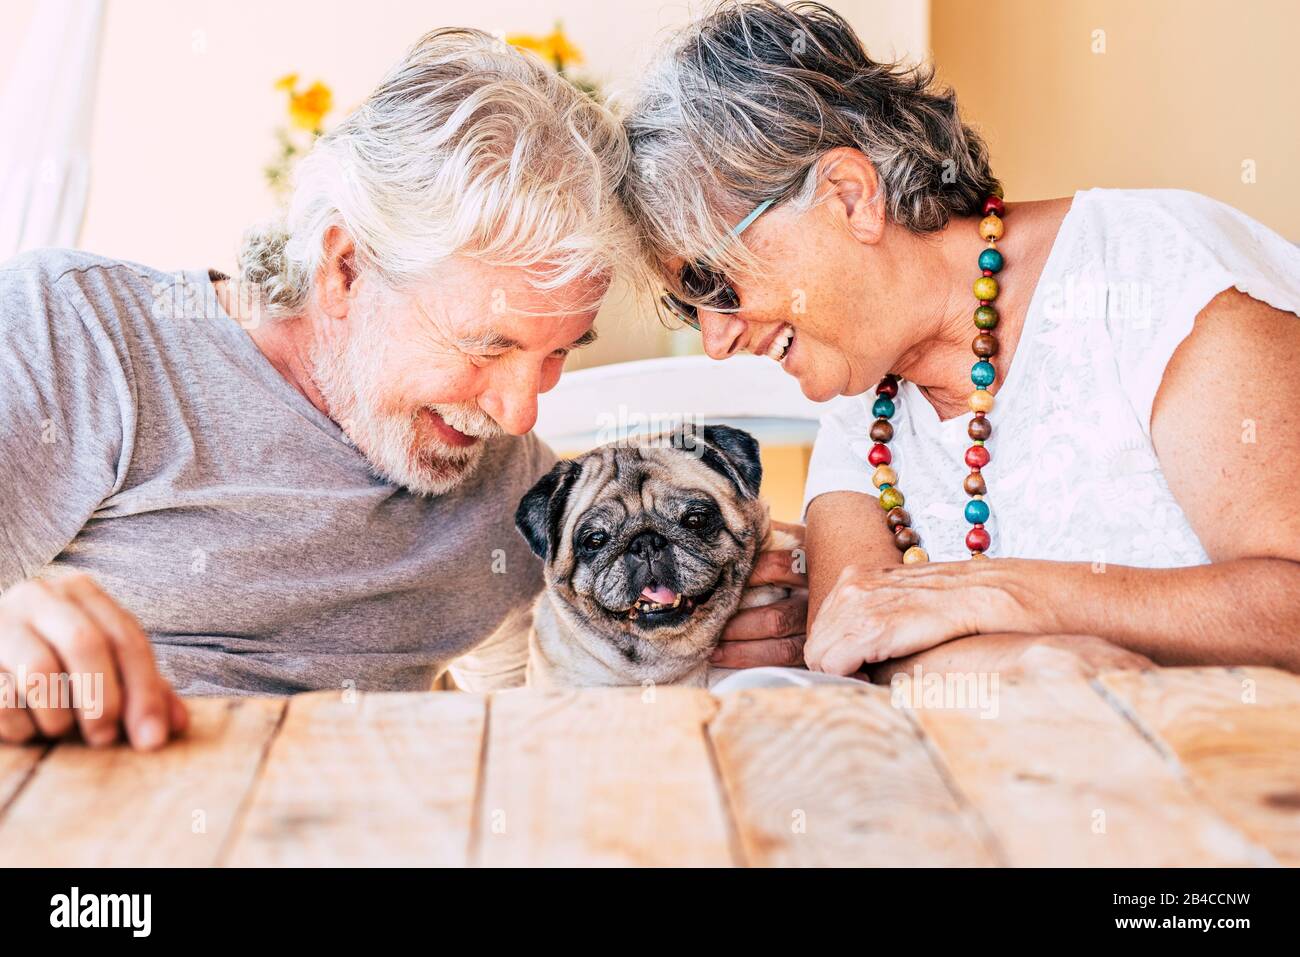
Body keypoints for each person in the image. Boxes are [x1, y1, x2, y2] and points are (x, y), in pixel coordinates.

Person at [0, 26, 810, 750]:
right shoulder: (77, 335)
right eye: (486, 345)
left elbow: (539, 708)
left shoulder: (520, 496)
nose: (521, 410)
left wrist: (735, 622)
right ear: (344, 267)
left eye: (558, 351)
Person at [618, 0, 1300, 679]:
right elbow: (859, 648)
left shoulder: (1152, 271)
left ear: (851, 196)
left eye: (714, 279)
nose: (715, 337)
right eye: (689, 304)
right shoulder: (865, 409)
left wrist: (1001, 594)